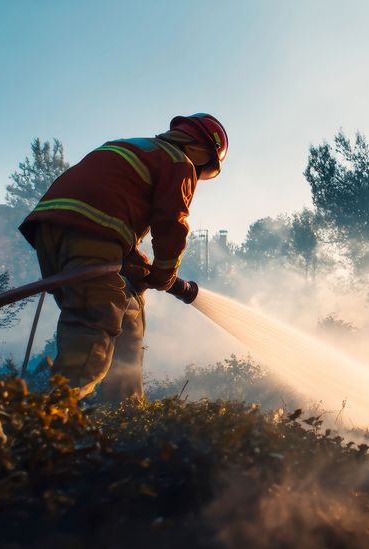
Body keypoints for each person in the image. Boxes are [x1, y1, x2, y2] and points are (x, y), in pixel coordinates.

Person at [18, 113, 228, 403]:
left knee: (128, 310)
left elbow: (109, 203)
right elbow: (171, 224)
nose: (198, 173)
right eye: (204, 168)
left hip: (52, 234)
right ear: (200, 149)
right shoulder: (178, 162)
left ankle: (124, 414)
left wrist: (134, 260)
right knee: (94, 331)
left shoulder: (133, 148)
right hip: (92, 233)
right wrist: (165, 274)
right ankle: (45, 426)